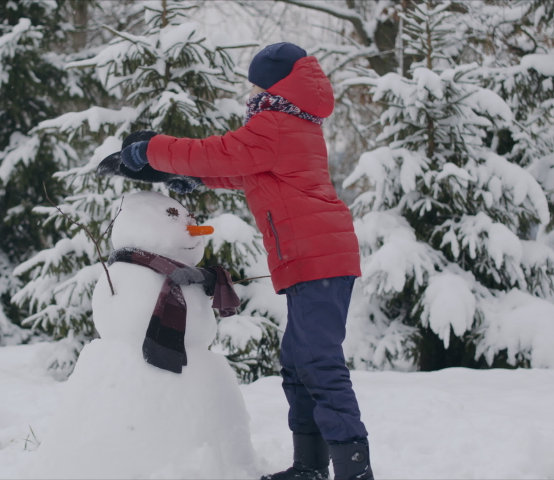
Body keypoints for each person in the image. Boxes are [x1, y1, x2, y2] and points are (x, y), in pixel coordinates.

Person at [118, 42, 372, 480]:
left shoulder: (275, 124)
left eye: (256, 82)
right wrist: (188, 175)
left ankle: (354, 470)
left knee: (318, 364)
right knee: (298, 362)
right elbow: (237, 169)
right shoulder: (291, 124)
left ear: (274, 83)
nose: (251, 90)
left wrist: (153, 149)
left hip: (318, 259)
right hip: (315, 260)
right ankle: (310, 466)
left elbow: (217, 152)